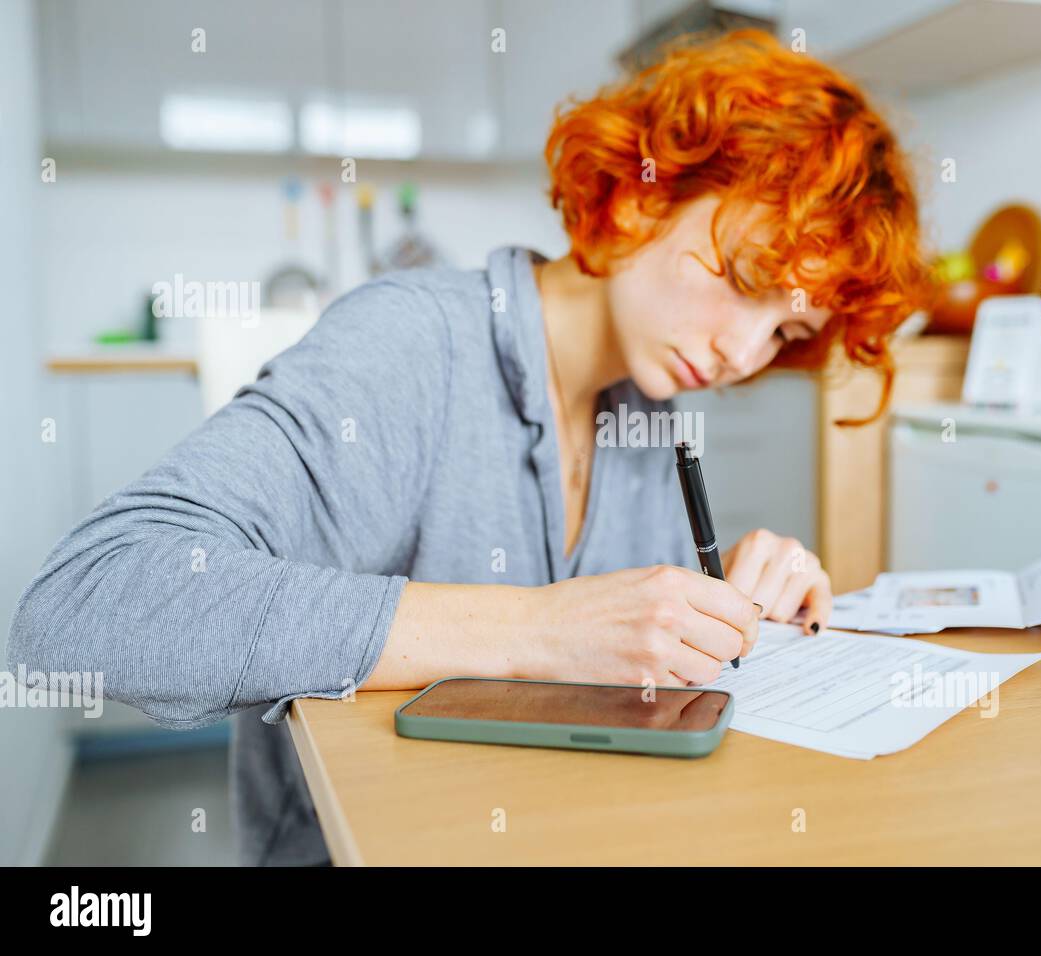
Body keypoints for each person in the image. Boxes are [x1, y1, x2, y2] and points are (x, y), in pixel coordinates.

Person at [9, 29, 926, 865]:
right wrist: (535, 629)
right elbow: (83, 607)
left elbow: (618, 657)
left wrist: (725, 606)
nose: (741, 353)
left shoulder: (652, 399)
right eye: (747, 278)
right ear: (646, 196)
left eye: (786, 329)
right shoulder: (409, 344)